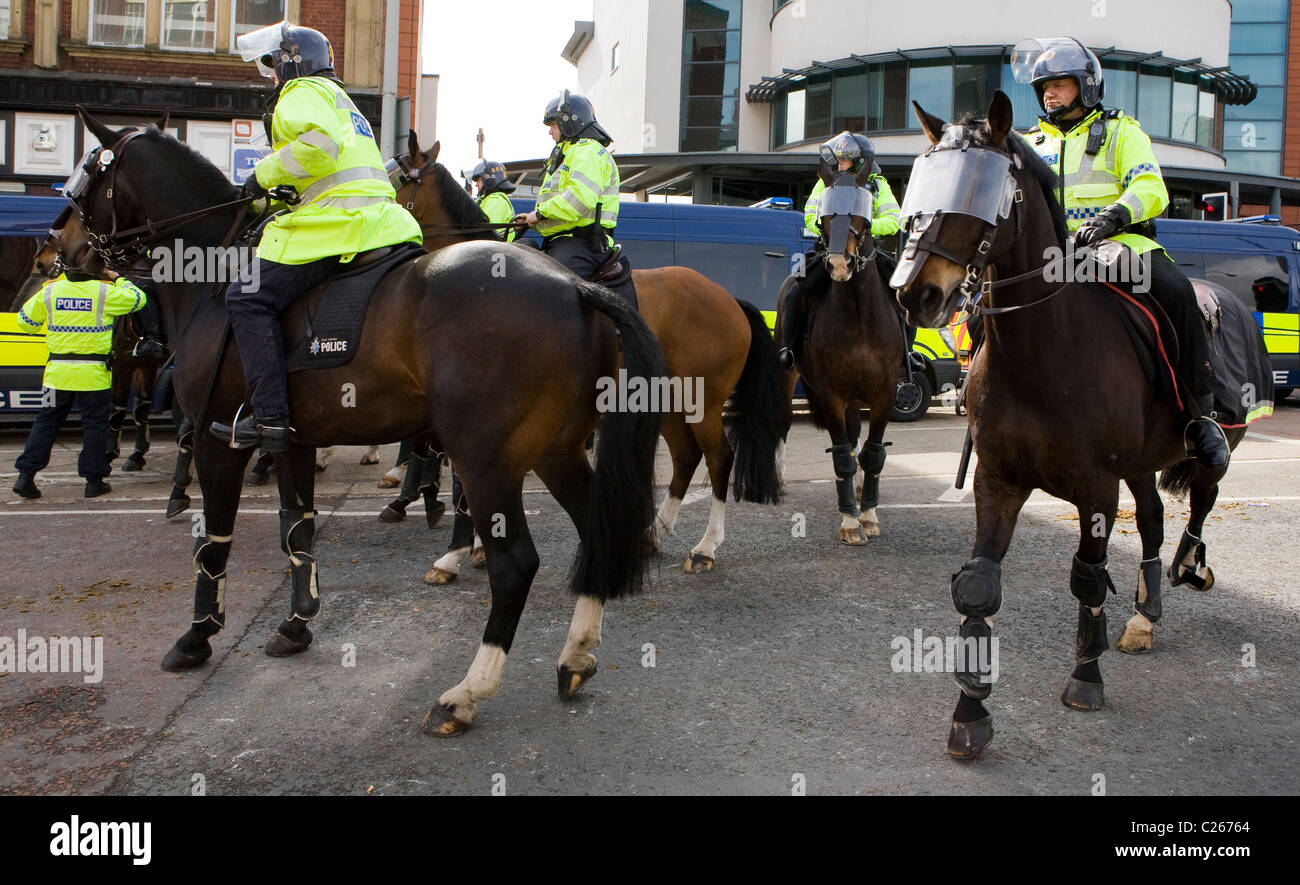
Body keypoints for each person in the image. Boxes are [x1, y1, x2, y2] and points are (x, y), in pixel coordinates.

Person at [1014, 35, 1229, 467]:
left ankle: (1200, 416)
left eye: (1059, 83)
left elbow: (1151, 188)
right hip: (1052, 257)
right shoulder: (1028, 143)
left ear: (1087, 85)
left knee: (1176, 292)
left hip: (1119, 244)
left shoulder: (1120, 132)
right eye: (1043, 87)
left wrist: (1111, 218)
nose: (1049, 93)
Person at [211, 20, 422, 451]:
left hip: (335, 228)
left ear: (291, 62)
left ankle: (269, 418)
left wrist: (261, 173)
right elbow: (326, 170)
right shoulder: (342, 100)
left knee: (247, 297)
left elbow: (319, 147)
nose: (270, 76)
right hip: (380, 223)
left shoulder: (299, 92)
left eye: (271, 66)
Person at [12, 267, 149, 498]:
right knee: (95, 426)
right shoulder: (104, 292)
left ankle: (25, 476)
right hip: (93, 377)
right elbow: (139, 299)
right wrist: (119, 279)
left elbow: (25, 322)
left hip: (56, 376)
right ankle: (94, 481)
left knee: (46, 422)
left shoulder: (50, 290)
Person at [778, 131, 906, 370]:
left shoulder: (878, 185)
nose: (839, 163)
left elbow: (893, 220)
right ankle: (789, 349)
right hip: (829, 250)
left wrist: (863, 227)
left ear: (858, 161)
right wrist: (831, 230)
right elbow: (810, 215)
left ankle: (907, 354)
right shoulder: (826, 183)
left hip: (867, 253)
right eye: (838, 158)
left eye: (844, 158)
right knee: (795, 292)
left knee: (904, 294)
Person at [513, 91, 635, 302]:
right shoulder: (571, 153)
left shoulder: (588, 152)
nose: (550, 132)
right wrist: (532, 219)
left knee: (553, 295)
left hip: (583, 245)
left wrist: (540, 214)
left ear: (570, 121)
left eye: (553, 124)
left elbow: (579, 200)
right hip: (563, 242)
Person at [469, 159, 517, 242]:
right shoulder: (485, 200)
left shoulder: (496, 200)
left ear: (488, 179)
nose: (476, 184)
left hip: (496, 250)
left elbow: (485, 232)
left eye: (479, 179)